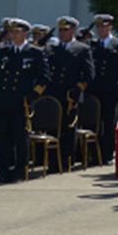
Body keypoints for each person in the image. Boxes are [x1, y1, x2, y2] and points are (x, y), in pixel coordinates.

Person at [0, 18, 49, 183]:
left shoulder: (35, 52)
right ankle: (3, 171)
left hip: (21, 102)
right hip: (3, 101)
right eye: (12, 32)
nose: (13, 35)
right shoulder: (4, 52)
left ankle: (20, 171)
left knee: (20, 138)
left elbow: (44, 78)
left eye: (17, 32)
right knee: (2, 138)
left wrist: (32, 95)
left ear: (25, 33)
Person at [44, 16, 94, 163]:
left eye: (65, 30)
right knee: (52, 127)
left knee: (68, 128)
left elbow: (89, 74)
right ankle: (53, 161)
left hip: (69, 95)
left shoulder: (82, 49)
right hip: (54, 93)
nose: (62, 33)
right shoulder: (52, 49)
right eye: (60, 30)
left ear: (73, 30)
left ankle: (66, 160)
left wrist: (78, 89)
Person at [88, 14, 118, 162]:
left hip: (111, 89)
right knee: (94, 121)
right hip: (94, 89)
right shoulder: (92, 45)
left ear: (110, 27)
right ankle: (93, 154)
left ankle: (107, 154)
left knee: (109, 121)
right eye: (99, 27)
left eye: (104, 27)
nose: (101, 30)